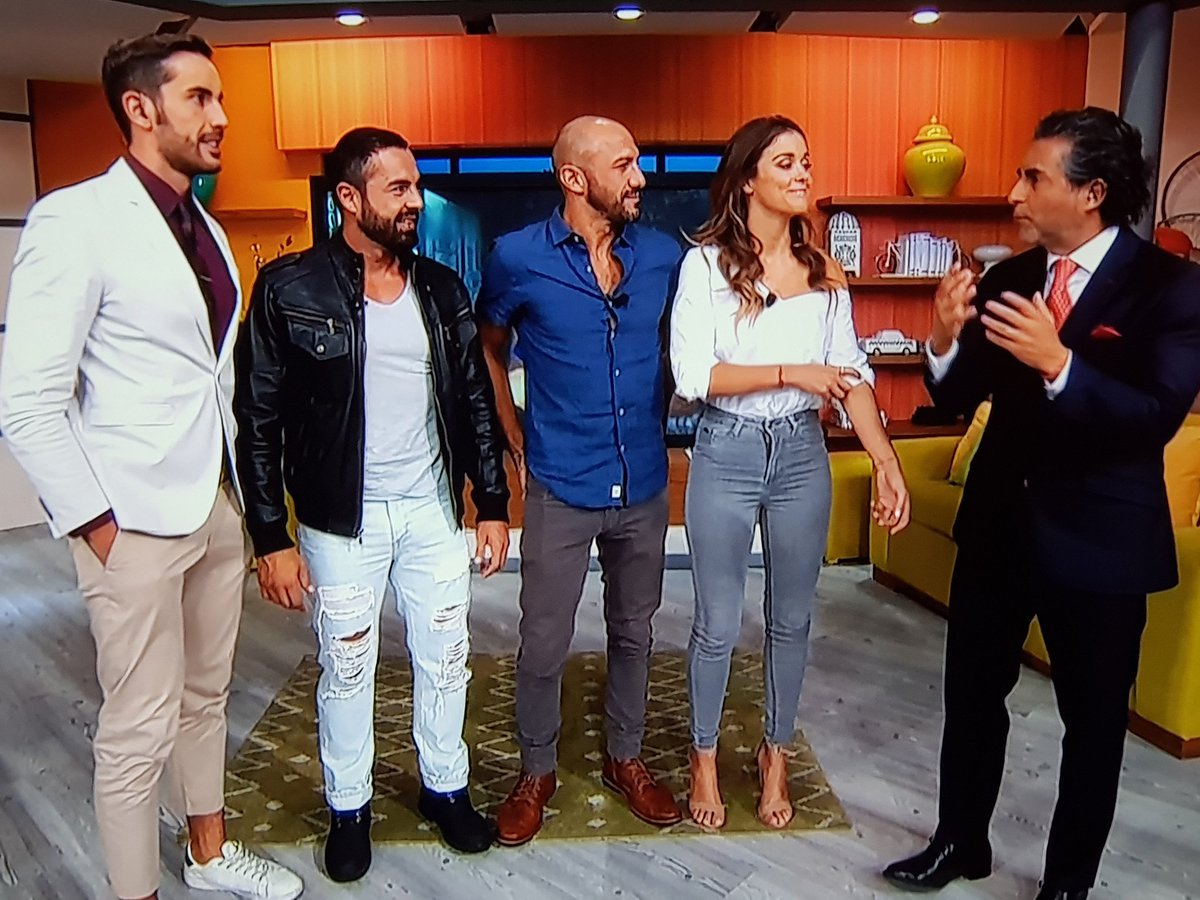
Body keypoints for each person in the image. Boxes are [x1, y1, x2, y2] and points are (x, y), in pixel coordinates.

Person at [0, 33, 303, 900]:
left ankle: (207, 853)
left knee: (206, 696)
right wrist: (96, 526)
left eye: (220, 98)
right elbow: (28, 401)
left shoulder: (202, 226)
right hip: (128, 519)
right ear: (140, 108)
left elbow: (212, 376)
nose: (222, 116)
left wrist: (238, 505)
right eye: (200, 98)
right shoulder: (75, 220)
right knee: (137, 728)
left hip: (212, 505)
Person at [883, 107, 1200, 900]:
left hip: (1101, 544)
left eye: (1034, 177)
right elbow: (959, 393)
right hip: (999, 530)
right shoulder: (1009, 279)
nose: (1014, 192)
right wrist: (943, 339)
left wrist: (1061, 363)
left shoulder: (1173, 288)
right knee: (970, 697)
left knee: (1092, 726)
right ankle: (960, 842)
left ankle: (1065, 885)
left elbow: (1153, 416)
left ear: (1092, 193)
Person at [234, 127, 510, 880]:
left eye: (416, 185)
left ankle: (444, 788)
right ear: (350, 198)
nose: (415, 200)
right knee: (347, 668)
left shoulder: (442, 290)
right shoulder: (289, 289)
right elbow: (257, 418)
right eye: (398, 188)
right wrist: (270, 536)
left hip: (431, 513)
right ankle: (348, 808)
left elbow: (475, 402)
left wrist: (491, 501)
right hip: (338, 521)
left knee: (446, 659)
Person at [670, 115, 910, 831]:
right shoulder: (705, 267)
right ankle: (704, 755)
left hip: (803, 452)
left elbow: (851, 374)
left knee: (792, 619)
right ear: (748, 180)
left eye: (806, 160)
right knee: (716, 622)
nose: (803, 172)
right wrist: (792, 371)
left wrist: (885, 460)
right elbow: (693, 375)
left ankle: (774, 753)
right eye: (785, 162)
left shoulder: (825, 272)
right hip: (727, 448)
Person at [477, 115, 684, 845]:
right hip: (561, 483)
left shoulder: (662, 256)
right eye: (623, 165)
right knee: (542, 639)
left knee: (634, 630)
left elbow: (684, 345)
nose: (639, 178)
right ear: (574, 178)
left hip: (644, 481)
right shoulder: (516, 258)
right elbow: (489, 347)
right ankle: (536, 771)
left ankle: (626, 758)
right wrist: (512, 437)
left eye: (638, 162)